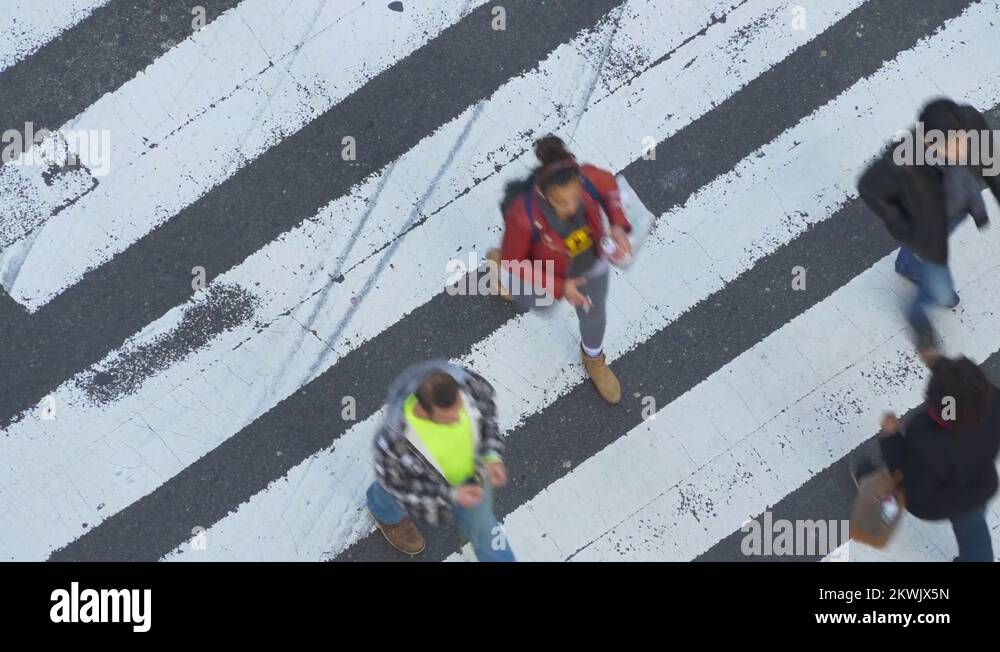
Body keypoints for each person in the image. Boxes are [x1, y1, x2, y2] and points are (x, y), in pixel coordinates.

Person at [486, 135, 632, 404]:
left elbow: (609, 187)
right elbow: (515, 260)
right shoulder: (522, 214)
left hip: (590, 263)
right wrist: (560, 287)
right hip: (545, 270)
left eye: (576, 198)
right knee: (536, 301)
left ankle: (593, 358)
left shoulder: (587, 177)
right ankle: (500, 271)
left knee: (595, 317)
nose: (571, 207)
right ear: (543, 194)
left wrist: (618, 225)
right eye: (561, 202)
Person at [858, 98, 1000, 348]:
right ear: (927, 141)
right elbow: (868, 186)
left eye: (962, 140)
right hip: (926, 230)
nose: (961, 150)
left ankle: (906, 262)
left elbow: (991, 166)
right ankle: (916, 315)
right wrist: (905, 230)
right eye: (951, 145)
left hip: (958, 207)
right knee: (941, 293)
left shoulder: (971, 122)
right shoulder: (902, 159)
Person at [857, 350, 1000, 561]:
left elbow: (909, 477)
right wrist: (942, 366)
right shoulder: (993, 403)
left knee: (903, 487)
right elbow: (960, 396)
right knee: (972, 526)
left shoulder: (927, 441)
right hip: (978, 484)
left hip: (934, 500)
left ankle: (885, 500)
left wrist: (891, 437)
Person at [367, 360, 515, 561]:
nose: (457, 420)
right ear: (423, 409)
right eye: (447, 419)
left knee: (487, 533)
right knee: (392, 488)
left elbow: (488, 419)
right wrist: (449, 494)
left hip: (473, 480)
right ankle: (384, 511)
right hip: (428, 483)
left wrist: (491, 455)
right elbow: (401, 485)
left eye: (459, 410)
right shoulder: (394, 441)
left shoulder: (470, 387)